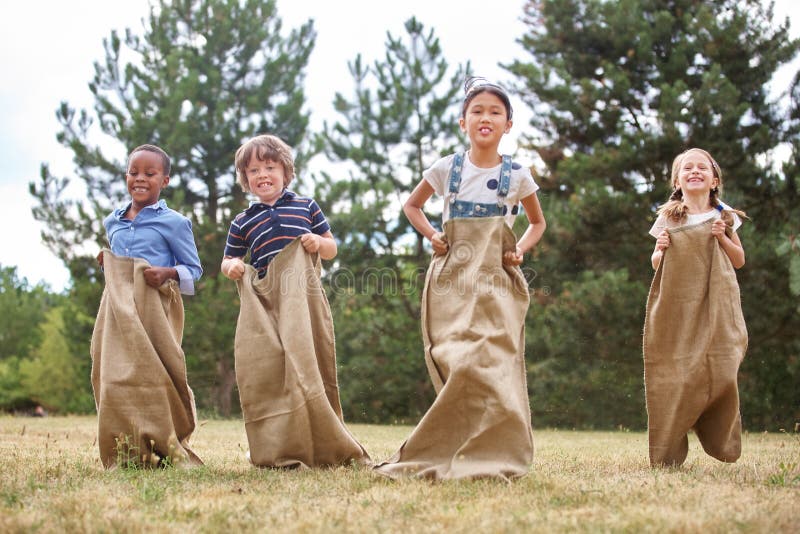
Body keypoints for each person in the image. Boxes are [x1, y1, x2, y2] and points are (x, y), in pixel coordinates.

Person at [374, 77, 546, 480]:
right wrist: (433, 234)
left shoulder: (518, 176)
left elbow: (538, 222)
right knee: (458, 358)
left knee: (493, 358)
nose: (485, 117)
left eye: (495, 112)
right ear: (462, 122)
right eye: (477, 111)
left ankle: (499, 448)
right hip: (452, 279)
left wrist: (519, 249)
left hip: (497, 280)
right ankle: (453, 443)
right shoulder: (446, 168)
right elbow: (412, 206)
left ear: (508, 125)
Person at [221, 134, 369, 468]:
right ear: (245, 180)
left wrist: (318, 241)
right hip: (269, 304)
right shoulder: (242, 221)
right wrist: (232, 266)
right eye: (254, 170)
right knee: (275, 370)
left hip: (303, 301)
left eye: (270, 167)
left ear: (286, 172)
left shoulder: (306, 206)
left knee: (309, 362)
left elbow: (331, 249)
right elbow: (229, 259)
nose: (263, 174)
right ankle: (278, 441)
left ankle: (324, 438)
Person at [91, 144, 204, 468]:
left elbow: (193, 270)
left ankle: (167, 441)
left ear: (164, 181)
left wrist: (168, 273)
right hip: (117, 310)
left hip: (154, 308)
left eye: (149, 174)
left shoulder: (175, 223)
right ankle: (125, 448)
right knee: (113, 375)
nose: (140, 179)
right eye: (133, 172)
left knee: (155, 375)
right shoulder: (113, 222)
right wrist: (108, 262)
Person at [643, 147, 748, 467]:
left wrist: (723, 238)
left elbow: (739, 260)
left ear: (714, 180)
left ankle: (718, 433)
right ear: (677, 180)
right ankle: (670, 447)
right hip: (680, 303)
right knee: (679, 372)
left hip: (717, 300)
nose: (695, 171)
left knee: (723, 364)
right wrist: (659, 250)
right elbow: (656, 264)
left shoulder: (724, 216)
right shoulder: (669, 217)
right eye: (687, 168)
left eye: (702, 167)